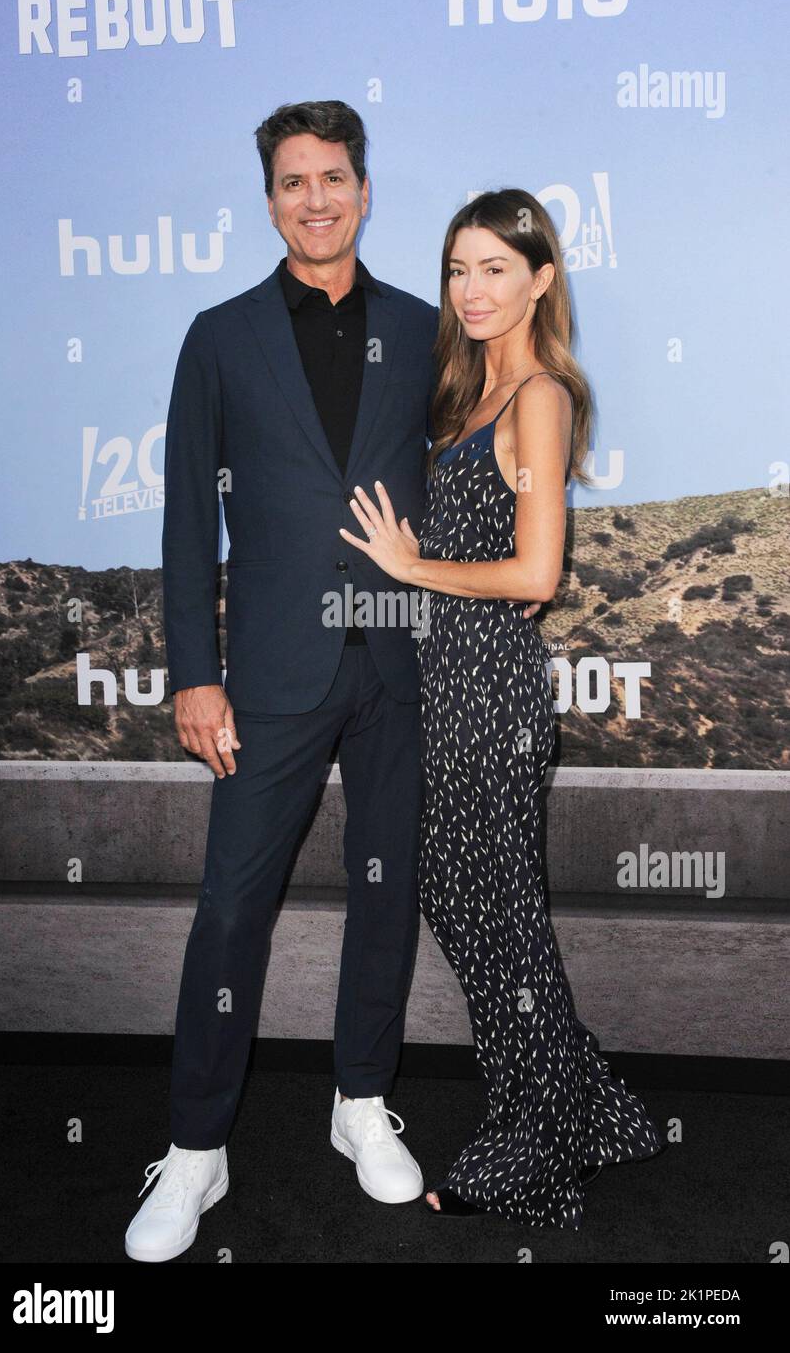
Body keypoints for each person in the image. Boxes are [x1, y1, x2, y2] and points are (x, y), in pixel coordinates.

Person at [124, 103, 544, 1263]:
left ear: (365, 193)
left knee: (385, 889)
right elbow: (181, 525)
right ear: (269, 200)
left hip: (396, 660)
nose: (316, 198)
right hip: (266, 674)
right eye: (294, 181)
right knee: (229, 912)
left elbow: (492, 451)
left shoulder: (422, 331)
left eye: (336, 178)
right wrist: (194, 677)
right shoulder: (217, 335)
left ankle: (359, 1098)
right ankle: (196, 1149)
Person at [339, 188, 666, 1227]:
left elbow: (535, 571)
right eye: (456, 269)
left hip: (488, 690)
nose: (472, 290)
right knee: (481, 911)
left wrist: (410, 564)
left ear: (540, 278)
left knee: (499, 922)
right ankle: (585, 1111)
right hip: (441, 687)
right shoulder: (464, 393)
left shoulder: (538, 394)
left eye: (493, 268)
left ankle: (529, 1142)